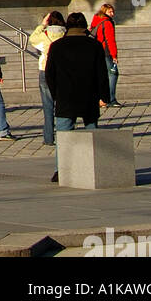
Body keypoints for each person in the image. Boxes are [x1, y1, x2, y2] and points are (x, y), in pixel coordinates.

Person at [44, 12, 110, 182]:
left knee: (64, 136)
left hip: (65, 97)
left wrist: (56, 93)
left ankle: (61, 170)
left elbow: (49, 74)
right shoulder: (94, 45)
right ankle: (95, 167)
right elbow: (102, 73)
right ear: (85, 26)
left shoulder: (57, 46)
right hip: (89, 95)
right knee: (92, 132)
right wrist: (104, 96)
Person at [29, 10, 67, 145]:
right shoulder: (66, 33)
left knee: (48, 106)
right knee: (63, 104)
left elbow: (32, 39)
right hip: (63, 71)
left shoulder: (44, 34)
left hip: (46, 70)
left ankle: (49, 137)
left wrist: (42, 25)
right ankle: (65, 133)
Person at [90, 3, 120, 106]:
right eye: (110, 12)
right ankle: (110, 99)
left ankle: (101, 99)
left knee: (102, 75)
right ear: (104, 12)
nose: (112, 14)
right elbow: (110, 40)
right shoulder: (107, 22)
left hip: (97, 51)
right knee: (113, 74)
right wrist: (114, 55)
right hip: (106, 52)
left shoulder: (96, 20)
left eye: (113, 11)